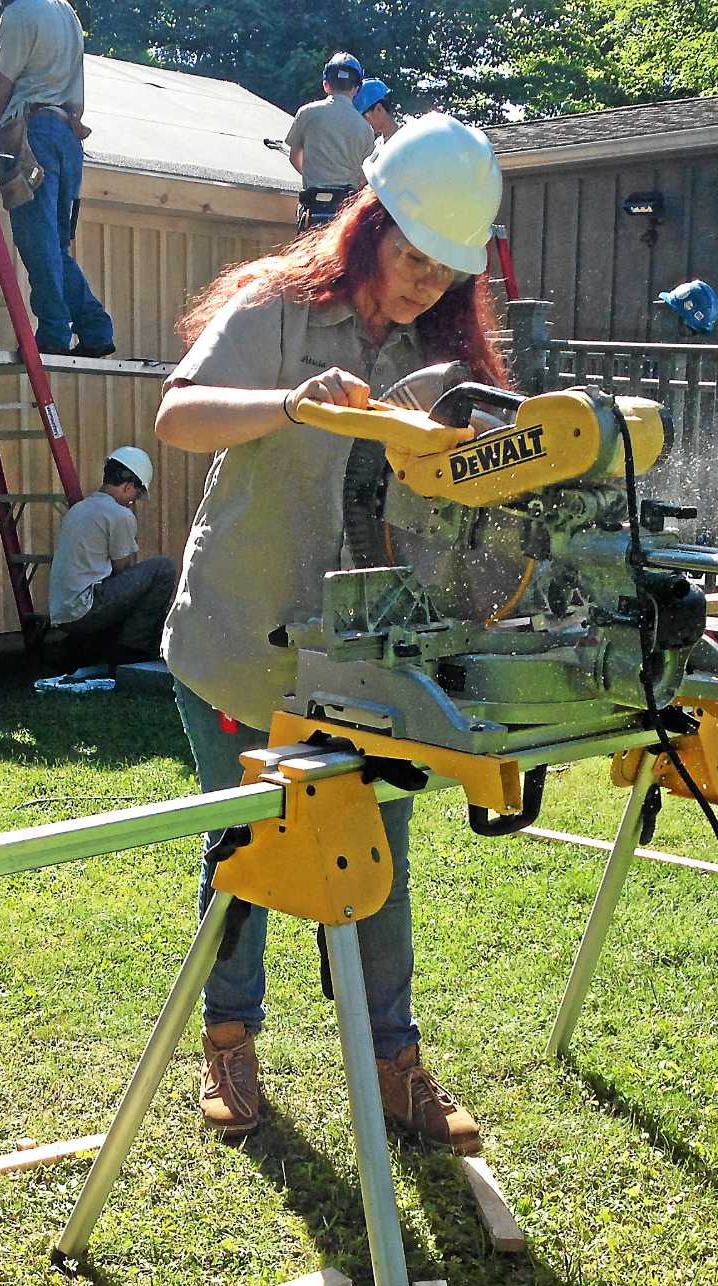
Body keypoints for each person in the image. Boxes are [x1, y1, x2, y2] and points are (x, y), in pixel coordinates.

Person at [154, 114, 506, 1152]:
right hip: (239, 639)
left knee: (377, 855)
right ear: (369, 223)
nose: (420, 287)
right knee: (244, 847)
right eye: (409, 257)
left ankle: (391, 1060)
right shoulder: (275, 307)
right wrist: (287, 404)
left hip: (362, 658)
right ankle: (228, 1037)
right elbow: (177, 416)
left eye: (445, 274)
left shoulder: (439, 353)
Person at [0, 0, 114, 358]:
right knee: (54, 245)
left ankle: (54, 332)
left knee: (36, 241)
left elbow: (1, 81)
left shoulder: (20, 12)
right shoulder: (65, 11)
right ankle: (95, 327)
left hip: (32, 134)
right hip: (66, 138)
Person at [46, 446, 174, 661]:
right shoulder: (120, 515)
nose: (134, 501)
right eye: (137, 493)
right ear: (128, 486)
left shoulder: (79, 508)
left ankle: (92, 646)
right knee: (163, 568)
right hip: (85, 609)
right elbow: (121, 570)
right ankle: (131, 650)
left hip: (63, 613)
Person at [284, 53, 376, 231]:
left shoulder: (306, 113)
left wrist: (313, 175)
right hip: (344, 212)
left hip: (311, 206)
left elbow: (294, 156)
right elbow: (364, 177)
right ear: (356, 89)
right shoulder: (366, 129)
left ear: (326, 84)